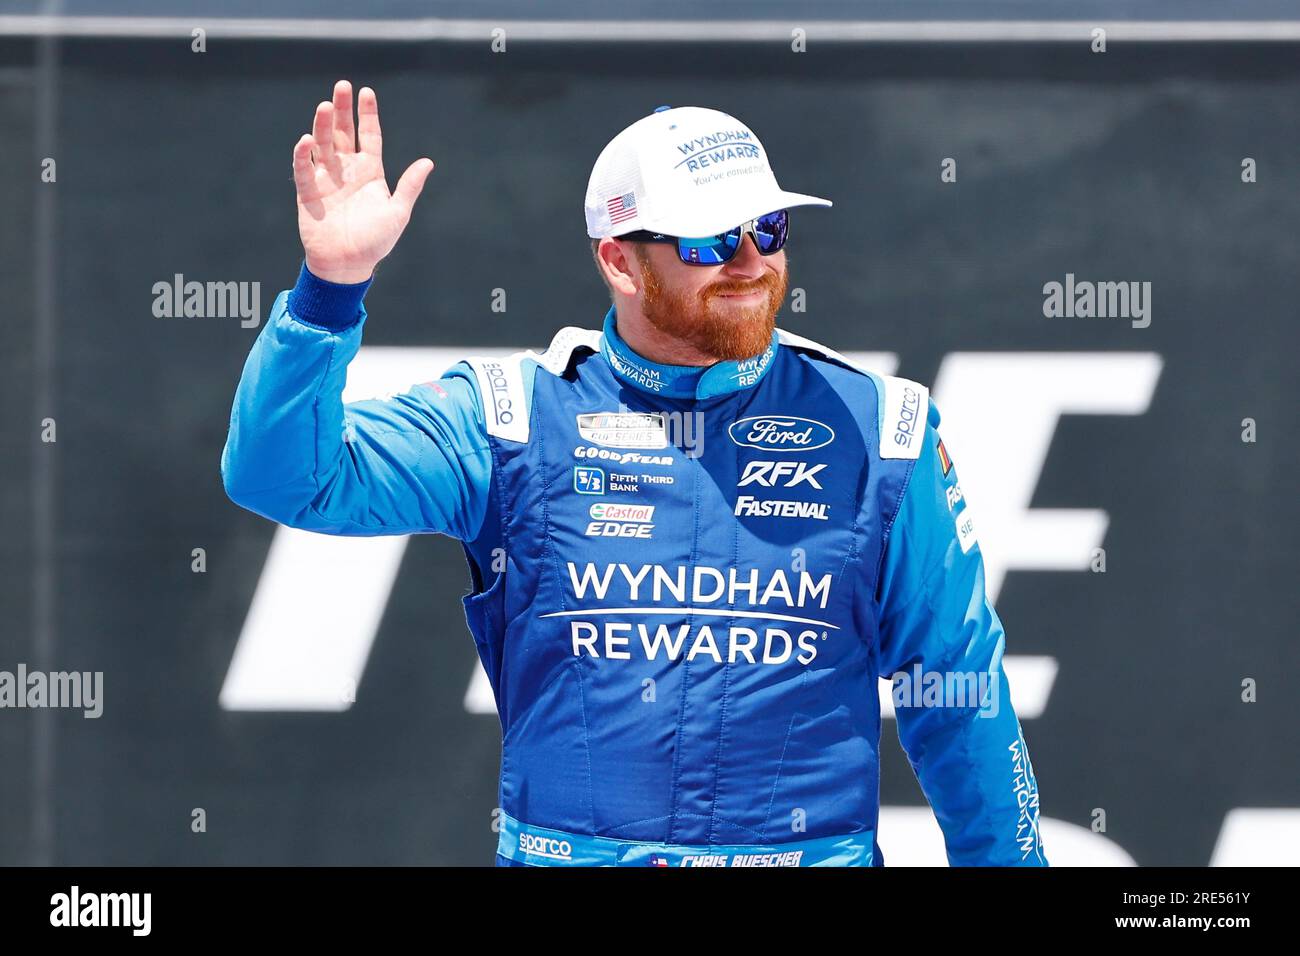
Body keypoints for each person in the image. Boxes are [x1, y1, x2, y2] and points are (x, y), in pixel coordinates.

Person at [221, 80, 1047, 867]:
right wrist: (330, 291)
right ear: (619, 262)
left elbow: (958, 693)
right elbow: (284, 476)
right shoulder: (510, 419)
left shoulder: (883, 431)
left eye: (770, 229)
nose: (751, 262)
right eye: (711, 242)